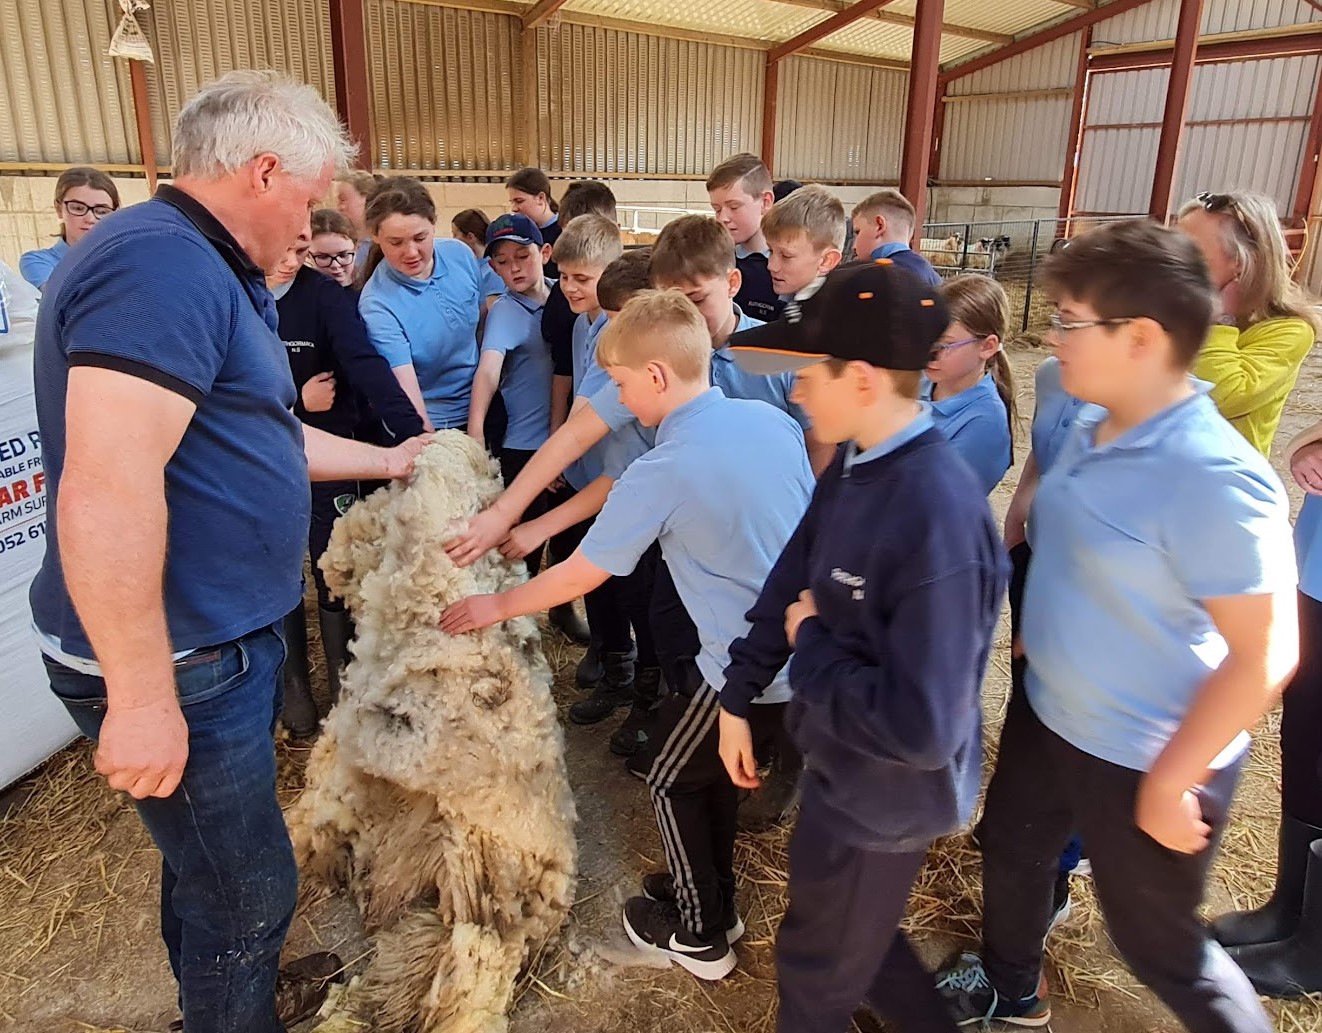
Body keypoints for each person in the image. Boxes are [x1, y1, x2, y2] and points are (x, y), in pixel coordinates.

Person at [29, 71, 428, 1033]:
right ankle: (228, 1007)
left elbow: (263, 431)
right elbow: (107, 487)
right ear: (261, 170)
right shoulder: (160, 268)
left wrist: (388, 456)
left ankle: (216, 998)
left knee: (204, 866)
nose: (313, 223)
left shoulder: (204, 264)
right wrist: (140, 694)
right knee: (251, 893)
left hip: (211, 641)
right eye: (308, 195)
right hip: (183, 652)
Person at [934, 220, 1295, 1033]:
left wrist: (1176, 778)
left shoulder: (1213, 476)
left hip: (1146, 747)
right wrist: (1044, 631)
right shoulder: (1093, 423)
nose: (1052, 337)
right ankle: (1012, 992)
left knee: (1156, 942)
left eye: (1068, 320)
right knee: (1015, 852)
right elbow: (1070, 540)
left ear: (1140, 337)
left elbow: (1268, 653)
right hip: (1054, 707)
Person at [440, 290, 816, 981]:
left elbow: (578, 576)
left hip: (733, 665)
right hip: (797, 652)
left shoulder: (661, 469)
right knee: (708, 779)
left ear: (655, 376)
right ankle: (713, 900)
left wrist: (493, 606)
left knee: (672, 782)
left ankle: (701, 936)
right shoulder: (768, 421)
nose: (616, 400)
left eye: (617, 383)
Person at [718, 261, 1006, 1033]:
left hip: (888, 794)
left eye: (812, 372)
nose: (799, 390)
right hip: (841, 762)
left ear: (869, 381)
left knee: (816, 967)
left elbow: (922, 728)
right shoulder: (856, 458)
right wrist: (738, 692)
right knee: (856, 941)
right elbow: (798, 564)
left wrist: (809, 643)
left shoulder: (938, 519)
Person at [266, 227, 426, 739]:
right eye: (288, 250)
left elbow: (366, 368)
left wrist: (417, 437)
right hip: (260, 455)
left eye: (300, 251)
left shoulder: (326, 298)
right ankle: (294, 686)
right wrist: (294, 401)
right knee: (274, 565)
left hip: (330, 454)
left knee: (332, 562)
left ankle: (344, 682)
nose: (292, 262)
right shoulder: (233, 293)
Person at [499, 249, 661, 746]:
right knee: (621, 591)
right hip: (612, 489)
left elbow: (613, 467)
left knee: (654, 609)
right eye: (564, 277)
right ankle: (628, 680)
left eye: (580, 278)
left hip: (648, 510)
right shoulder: (599, 339)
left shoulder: (657, 385)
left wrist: (531, 529)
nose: (570, 287)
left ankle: (655, 703)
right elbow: (581, 428)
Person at [1212, 415, 1322, 997]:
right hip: (1318, 572)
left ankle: (1317, 946)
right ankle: (1294, 908)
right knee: (1304, 742)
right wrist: (1310, 447)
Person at [1177, 190, 1320, 456]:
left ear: (1243, 264)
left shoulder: (1289, 330)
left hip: (1222, 480)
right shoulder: (1174, 309)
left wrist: (1220, 321)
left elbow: (1223, 396)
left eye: (1191, 254)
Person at [358, 176, 485, 435]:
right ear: (375, 236)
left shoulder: (460, 255)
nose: (412, 252)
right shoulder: (378, 303)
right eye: (396, 242)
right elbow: (407, 391)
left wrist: (479, 418)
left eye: (420, 237)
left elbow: (481, 327)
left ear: (434, 223)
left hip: (481, 403)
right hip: (431, 417)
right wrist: (429, 445)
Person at [469, 213, 555, 573]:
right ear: (493, 268)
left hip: (565, 438)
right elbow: (488, 370)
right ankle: (517, 621)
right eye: (503, 263)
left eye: (523, 257)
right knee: (521, 545)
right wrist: (474, 433)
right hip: (525, 446)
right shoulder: (505, 311)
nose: (515, 269)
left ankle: (560, 612)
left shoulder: (565, 295)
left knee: (564, 539)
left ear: (545, 253)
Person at [922, 274, 1015, 495]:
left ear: (987, 346)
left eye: (944, 344)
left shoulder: (984, 423)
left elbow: (935, 502)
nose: (928, 353)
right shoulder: (921, 382)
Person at [707, 153, 780, 323]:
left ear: (765, 202)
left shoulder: (786, 269)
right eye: (717, 209)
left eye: (734, 207)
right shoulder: (714, 262)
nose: (723, 218)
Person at [20, 166, 121, 290]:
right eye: (78, 208)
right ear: (59, 209)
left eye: (101, 211)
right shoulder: (39, 262)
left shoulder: (125, 258)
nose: (90, 219)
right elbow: (61, 300)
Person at [762, 184, 846, 306]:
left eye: (786, 256)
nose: (771, 266)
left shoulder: (829, 319)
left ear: (826, 260)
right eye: (770, 251)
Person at [850, 190, 942, 287]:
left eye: (858, 232)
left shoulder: (876, 277)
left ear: (879, 226)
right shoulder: (932, 275)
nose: (854, 246)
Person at [506, 167, 561, 272]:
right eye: (512, 202)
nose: (514, 208)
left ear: (541, 198)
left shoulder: (565, 231)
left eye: (519, 201)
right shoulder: (520, 234)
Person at [451, 207, 506, 303]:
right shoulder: (469, 268)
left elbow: (492, 310)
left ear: (470, 237)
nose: (453, 239)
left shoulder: (492, 271)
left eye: (455, 234)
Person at [333, 169, 380, 265]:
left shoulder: (380, 246)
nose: (339, 207)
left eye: (343, 200)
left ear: (365, 198)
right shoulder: (338, 243)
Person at [307, 208, 360, 288]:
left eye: (343, 255)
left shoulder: (371, 288)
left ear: (356, 249)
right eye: (323, 257)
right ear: (307, 255)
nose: (335, 265)